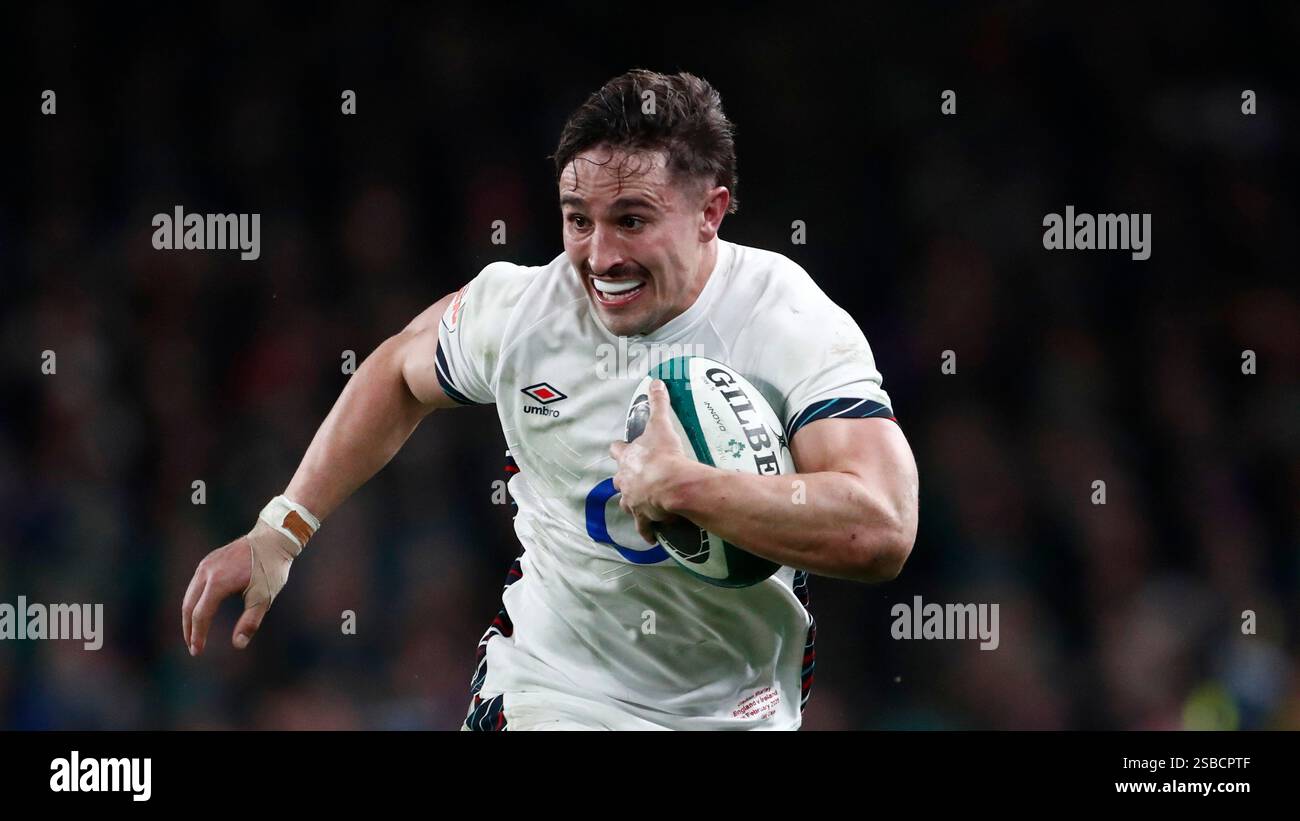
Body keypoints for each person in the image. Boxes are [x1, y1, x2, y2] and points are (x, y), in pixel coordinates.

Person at [181, 69, 919, 730]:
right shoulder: (526, 311)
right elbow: (398, 372)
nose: (600, 256)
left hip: (737, 708)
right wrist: (283, 527)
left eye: (631, 220)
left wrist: (691, 488)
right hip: (554, 692)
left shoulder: (787, 324)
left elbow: (882, 529)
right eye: (577, 219)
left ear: (711, 211)